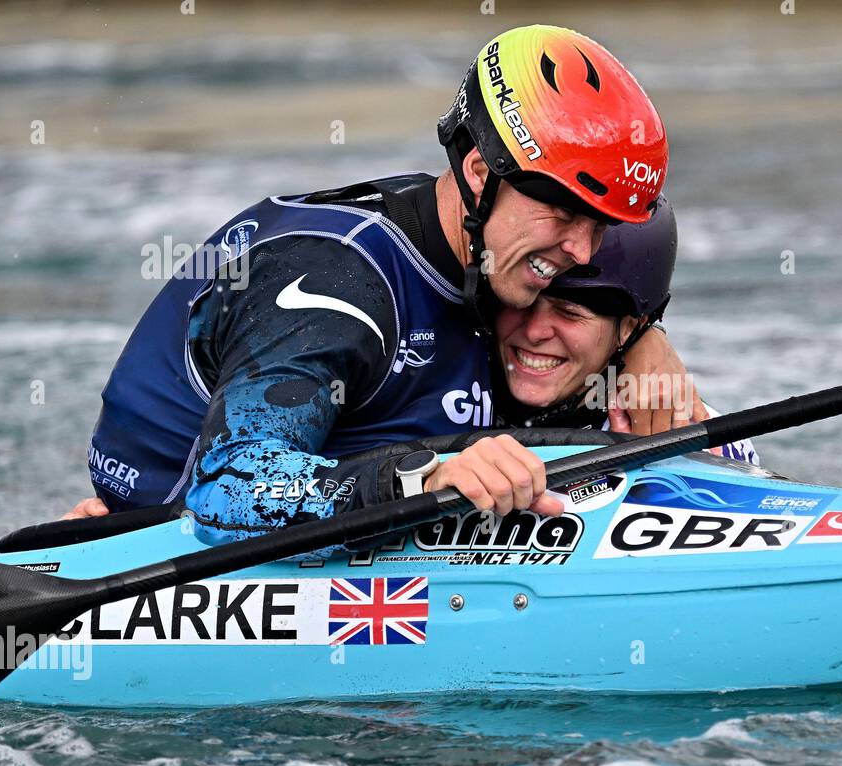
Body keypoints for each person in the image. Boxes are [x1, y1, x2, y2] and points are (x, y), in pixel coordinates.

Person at [75, 25, 705, 538]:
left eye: (600, 229)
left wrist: (641, 338)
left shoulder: (488, 249)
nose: (580, 251)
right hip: (161, 550)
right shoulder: (333, 286)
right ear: (481, 175)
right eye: (566, 216)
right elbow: (226, 492)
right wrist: (424, 481)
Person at [488, 194, 760, 464]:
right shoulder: (449, 367)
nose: (535, 332)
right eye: (521, 304)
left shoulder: (698, 444)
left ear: (631, 328)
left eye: (568, 313)